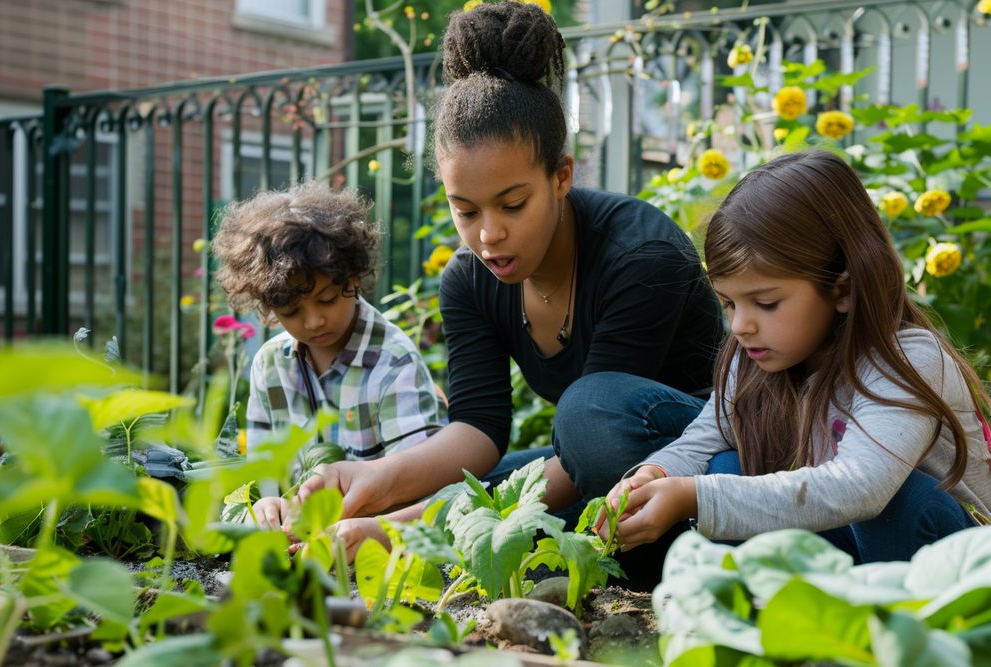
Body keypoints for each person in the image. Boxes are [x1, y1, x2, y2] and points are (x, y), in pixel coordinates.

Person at [297, 1, 724, 557]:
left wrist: (407, 528)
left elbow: (592, 439)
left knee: (586, 416)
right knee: (484, 476)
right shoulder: (469, 281)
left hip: (705, 450)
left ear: (561, 176)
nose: (488, 236)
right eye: (466, 211)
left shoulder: (641, 256)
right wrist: (377, 482)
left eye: (513, 204)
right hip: (595, 461)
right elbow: (477, 430)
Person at [601, 150, 991, 585]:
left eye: (766, 303)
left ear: (843, 289)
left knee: (904, 499)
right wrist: (654, 475)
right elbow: (702, 440)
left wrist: (694, 497)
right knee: (726, 467)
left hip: (950, 566)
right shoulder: (754, 358)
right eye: (728, 302)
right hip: (852, 561)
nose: (741, 325)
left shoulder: (909, 361)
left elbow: (860, 487)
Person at [210, 182, 446, 530]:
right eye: (291, 311)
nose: (314, 321)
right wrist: (268, 506)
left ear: (353, 276)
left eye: (327, 300)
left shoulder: (393, 362)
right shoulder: (269, 365)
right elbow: (265, 475)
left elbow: (425, 487)